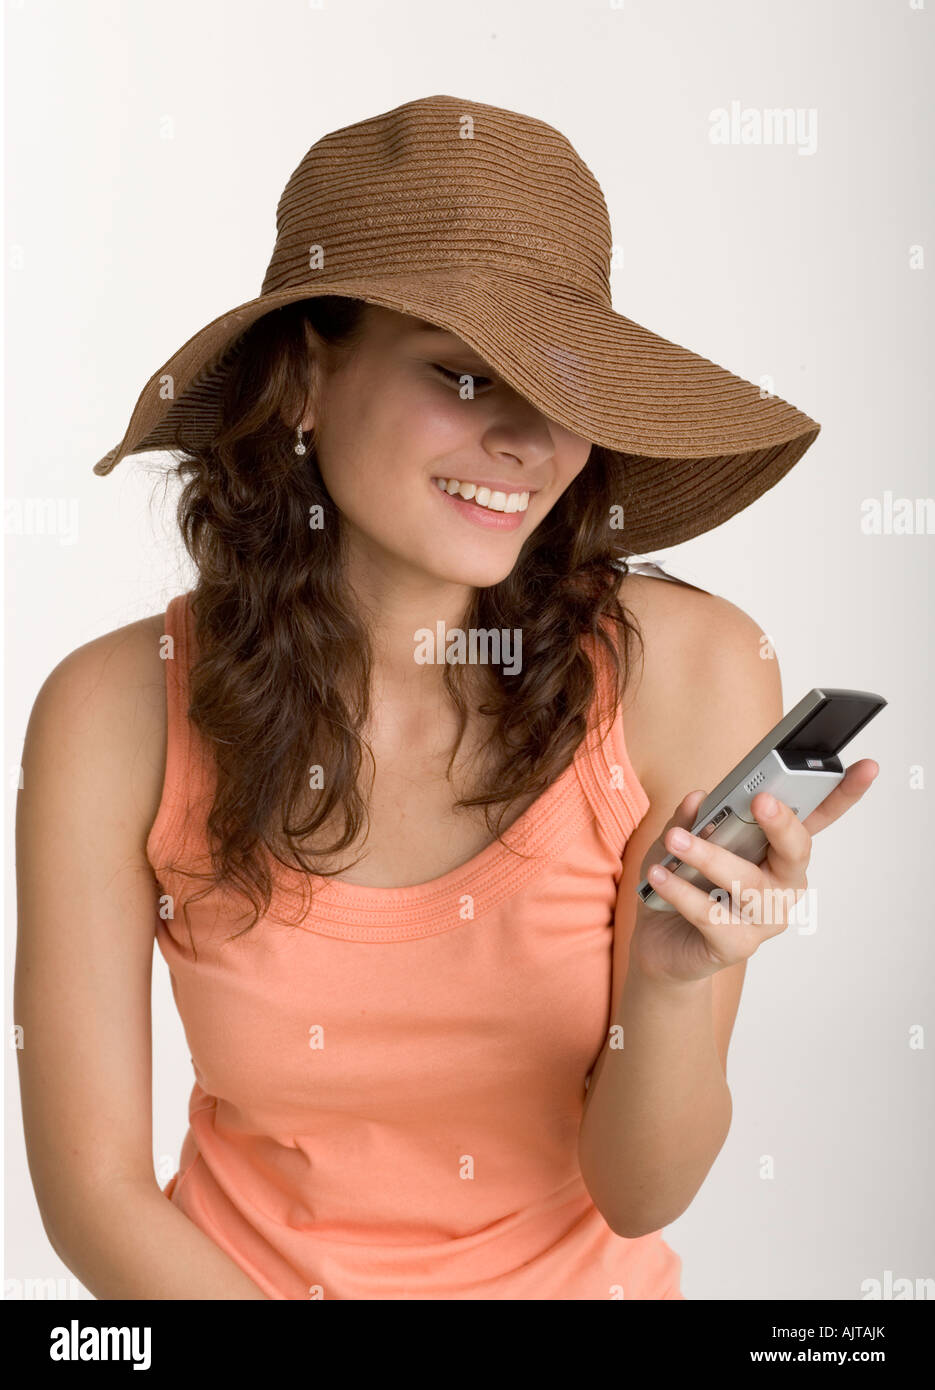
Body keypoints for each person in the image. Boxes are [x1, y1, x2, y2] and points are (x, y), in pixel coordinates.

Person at [14, 95, 878, 1300]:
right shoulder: (112, 713)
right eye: (465, 376)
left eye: (566, 387)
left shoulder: (689, 671)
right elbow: (91, 1197)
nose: (529, 439)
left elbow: (639, 1194)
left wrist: (673, 982)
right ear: (307, 376)